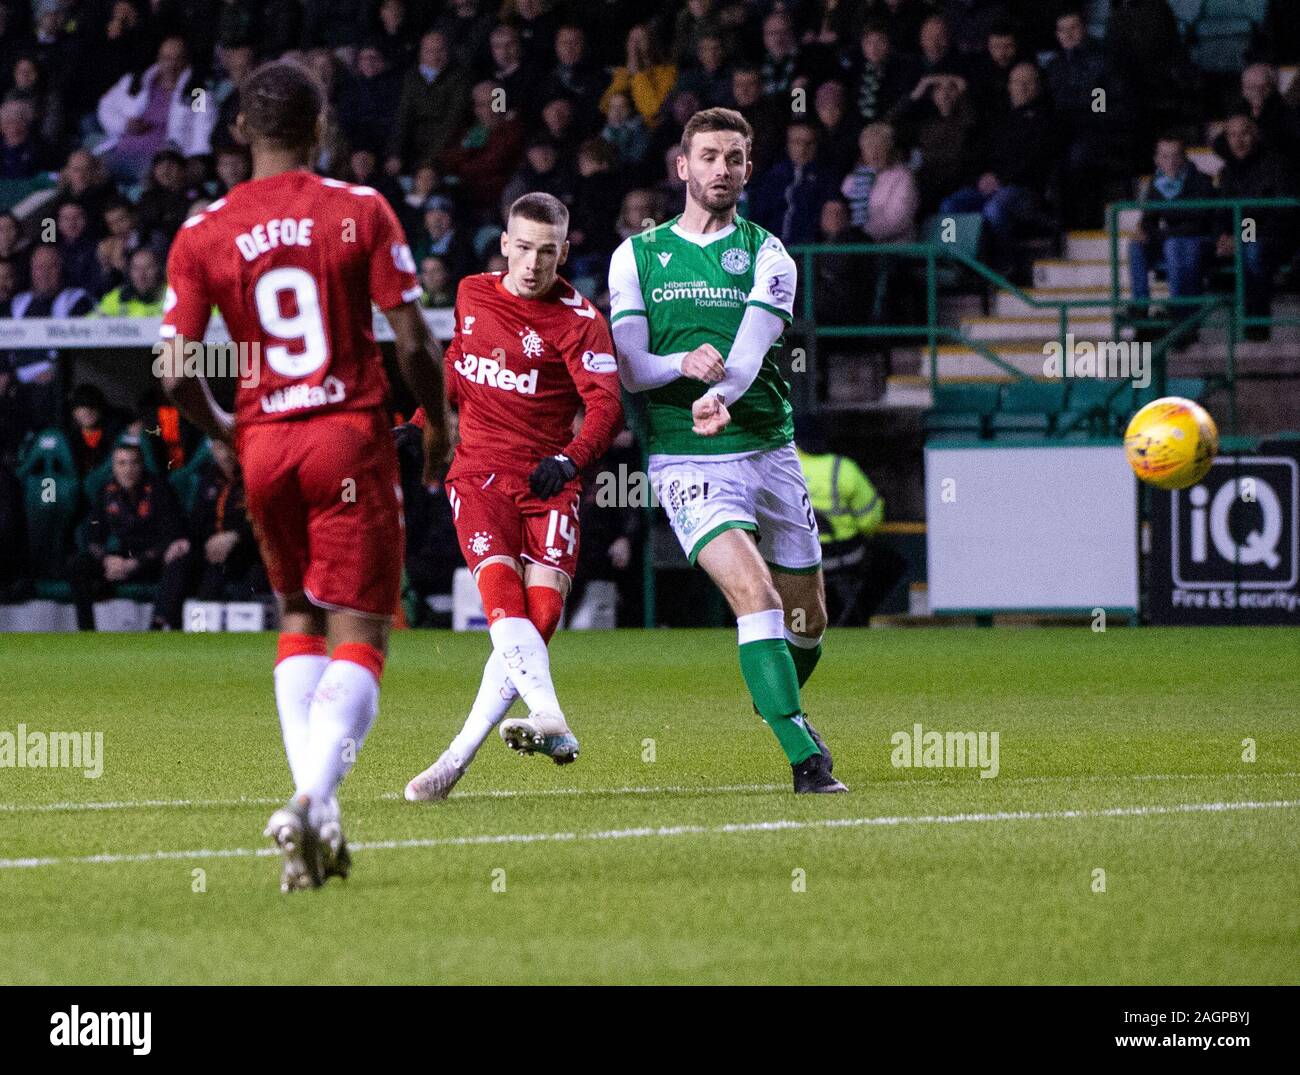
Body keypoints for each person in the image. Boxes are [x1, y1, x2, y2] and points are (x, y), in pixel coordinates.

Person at [158, 58, 451, 893]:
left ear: (241, 131)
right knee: (361, 629)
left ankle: (318, 820)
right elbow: (413, 341)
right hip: (346, 437)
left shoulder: (202, 230)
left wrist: (222, 431)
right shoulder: (358, 210)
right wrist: (437, 424)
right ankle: (311, 797)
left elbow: (174, 370)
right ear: (320, 128)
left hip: (264, 445)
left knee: (295, 612)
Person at [609, 107, 846, 794]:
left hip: (767, 444)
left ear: (748, 168)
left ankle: (773, 685)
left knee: (807, 619)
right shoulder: (639, 256)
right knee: (755, 592)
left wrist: (724, 392)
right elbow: (630, 367)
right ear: (682, 167)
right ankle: (805, 754)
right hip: (685, 457)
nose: (722, 168)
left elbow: (749, 350)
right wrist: (683, 364)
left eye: (735, 158)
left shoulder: (770, 253)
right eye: (709, 156)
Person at [403, 191, 623, 801]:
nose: (532, 264)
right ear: (504, 245)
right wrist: (419, 419)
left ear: (564, 253)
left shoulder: (580, 321)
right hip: (476, 476)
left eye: (546, 253)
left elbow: (606, 405)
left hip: (547, 481)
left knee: (542, 618)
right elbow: (456, 366)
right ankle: (550, 716)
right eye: (522, 248)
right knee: (503, 600)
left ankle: (453, 763)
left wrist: (569, 458)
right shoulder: (473, 293)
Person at [68, 441, 189, 631]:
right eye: (121, 463)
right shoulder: (107, 491)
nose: (128, 469)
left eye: (133, 463)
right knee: (78, 563)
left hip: (151, 560)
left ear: (142, 465)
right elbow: (92, 535)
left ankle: (156, 629)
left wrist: (136, 563)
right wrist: (106, 559)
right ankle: (87, 631)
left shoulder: (159, 490)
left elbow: (171, 538)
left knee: (178, 559)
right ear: (114, 467)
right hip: (121, 559)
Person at [1128, 134, 1216, 324]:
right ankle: (1141, 306)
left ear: (1184, 157)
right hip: (1170, 239)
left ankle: (1179, 309)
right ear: (1157, 160)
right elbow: (1149, 219)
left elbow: (1197, 223)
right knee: (1136, 245)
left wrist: (1158, 234)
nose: (1171, 162)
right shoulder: (1156, 184)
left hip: (1199, 241)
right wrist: (1143, 230)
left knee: (1173, 245)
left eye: (1175, 155)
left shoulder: (1201, 182)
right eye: (1165, 156)